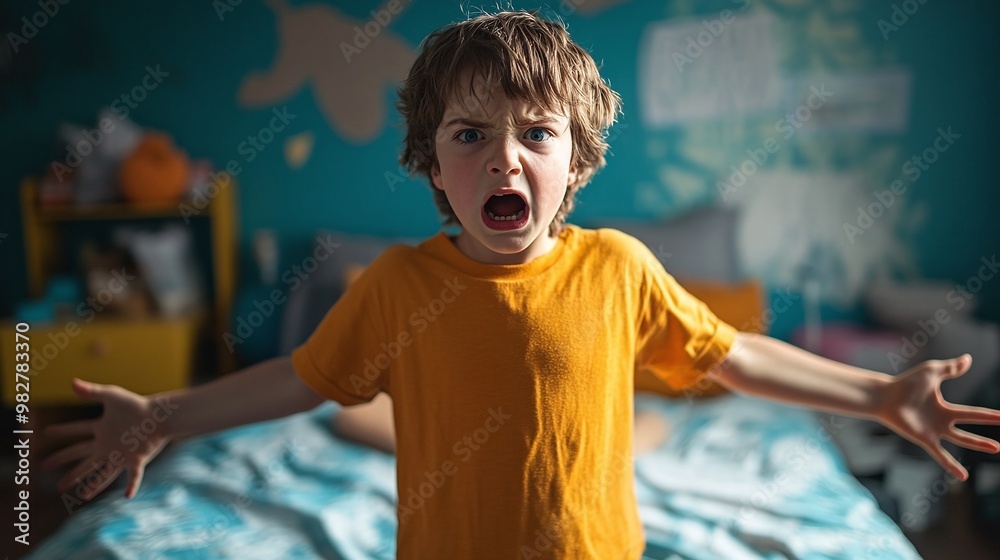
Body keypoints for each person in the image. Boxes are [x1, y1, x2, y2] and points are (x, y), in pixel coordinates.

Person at [42, 10, 1000, 559]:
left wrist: (877, 393)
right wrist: (165, 416)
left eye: (535, 134)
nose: (505, 158)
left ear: (574, 162)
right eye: (471, 136)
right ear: (432, 166)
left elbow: (733, 354)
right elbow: (300, 378)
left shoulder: (621, 267)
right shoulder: (396, 285)